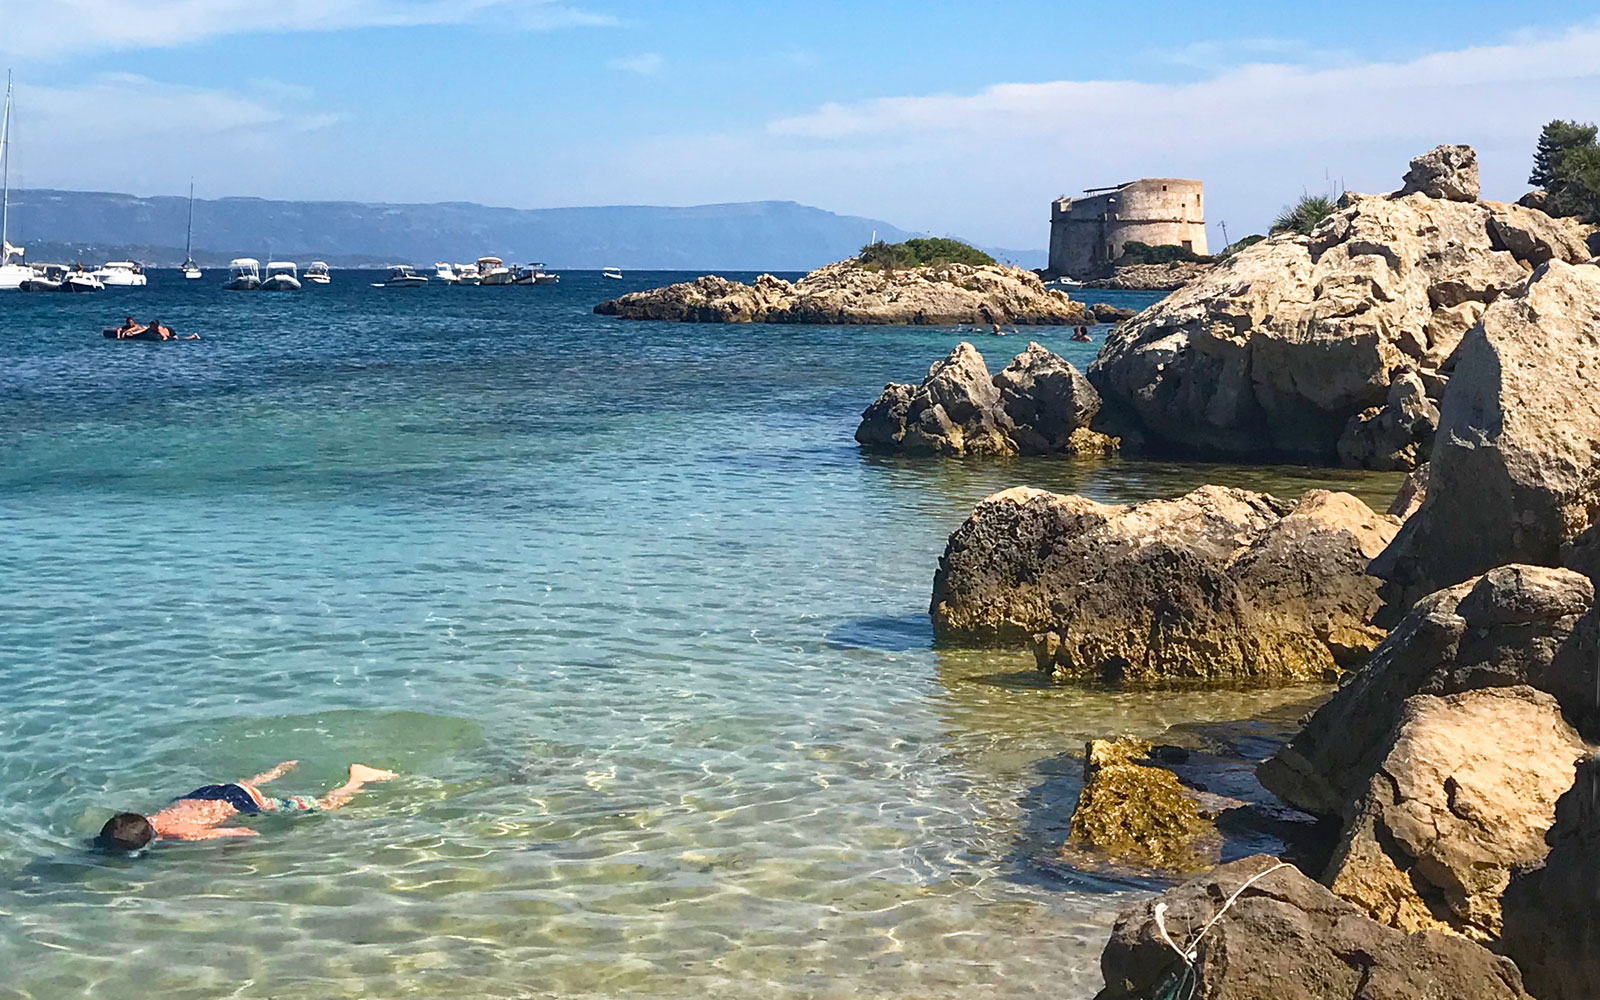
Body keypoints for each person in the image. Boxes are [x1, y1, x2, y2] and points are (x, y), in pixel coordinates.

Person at [97, 761, 397, 850]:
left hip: (241, 802)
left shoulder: (182, 833)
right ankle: (272, 773)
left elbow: (241, 830)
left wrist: (237, 850)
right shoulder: (144, 819)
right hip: (205, 793)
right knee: (241, 786)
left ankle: (357, 779)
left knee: (323, 806)